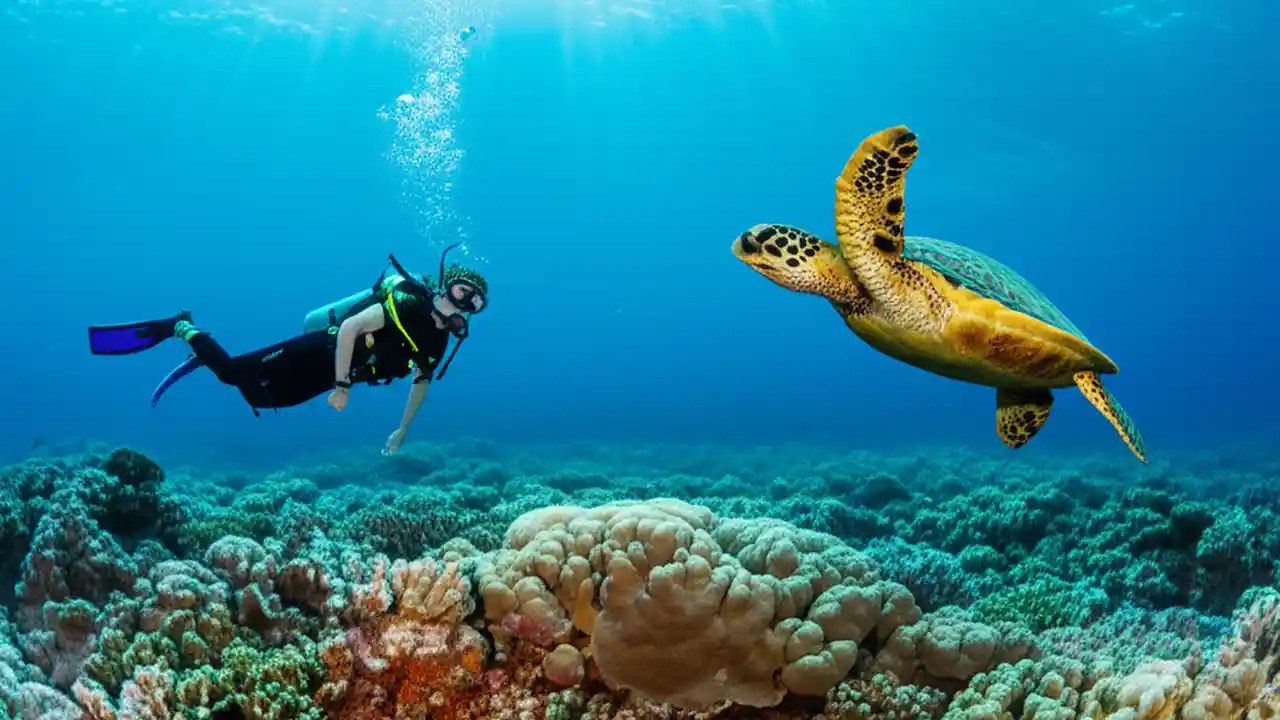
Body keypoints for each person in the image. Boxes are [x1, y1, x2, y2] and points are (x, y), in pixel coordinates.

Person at [88, 249, 488, 456]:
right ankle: (179, 325)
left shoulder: (439, 341)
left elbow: (421, 383)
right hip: (319, 352)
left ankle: (207, 355)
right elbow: (351, 327)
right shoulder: (406, 302)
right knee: (230, 375)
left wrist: (404, 428)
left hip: (328, 380)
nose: (466, 302)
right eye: (462, 291)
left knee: (262, 396)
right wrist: (343, 386)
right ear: (447, 284)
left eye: (475, 302)